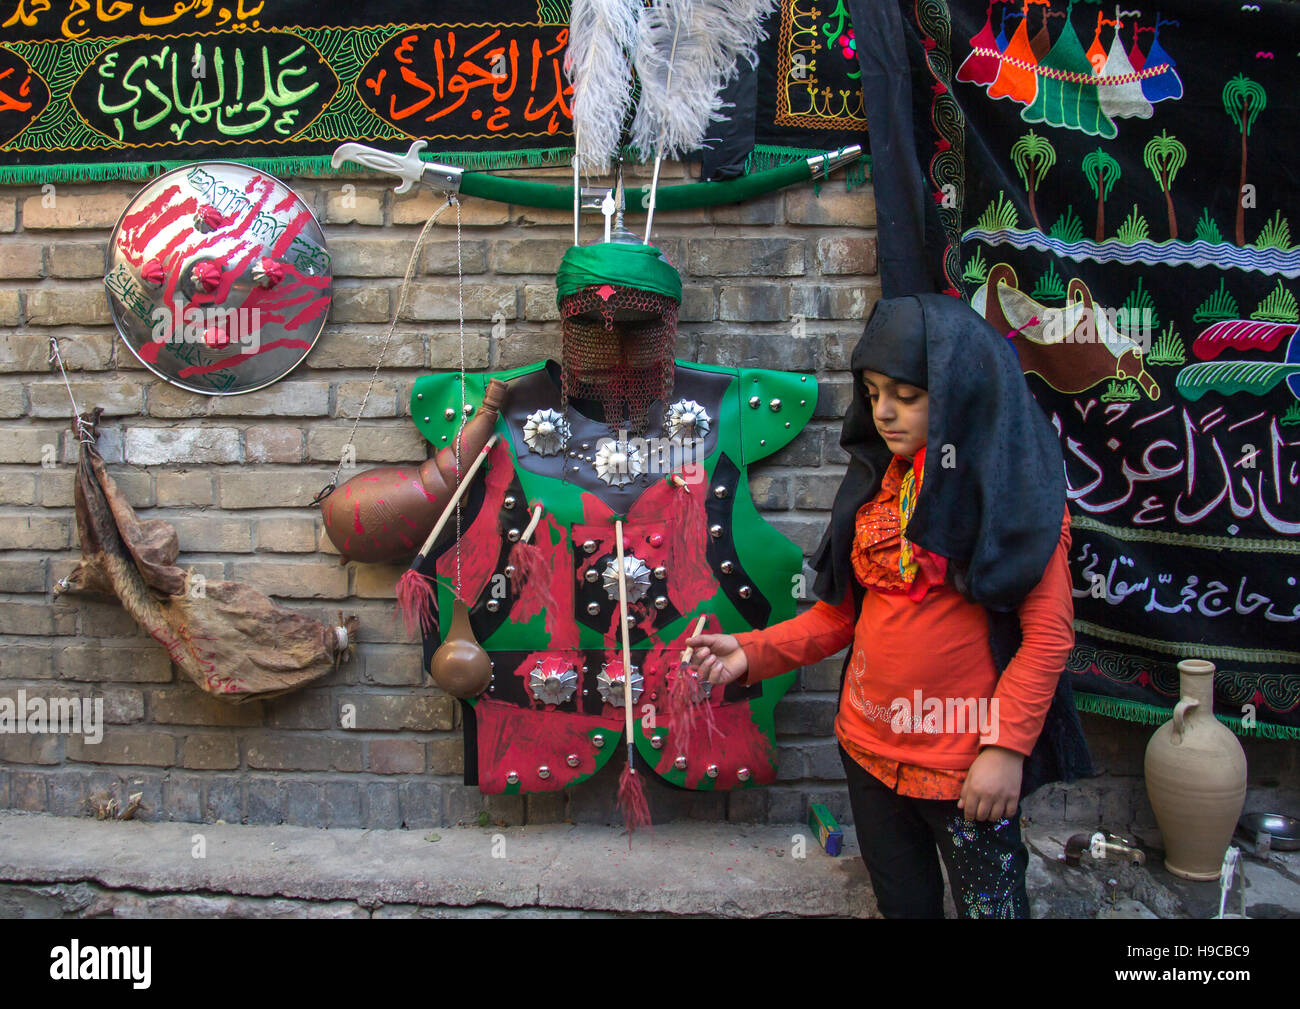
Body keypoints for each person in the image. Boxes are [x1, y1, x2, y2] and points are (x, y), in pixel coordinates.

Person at [685, 294, 1092, 919]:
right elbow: (838, 618)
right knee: (904, 904)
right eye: (873, 393)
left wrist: (1006, 750)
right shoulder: (876, 496)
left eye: (906, 395)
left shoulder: (1014, 507)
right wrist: (751, 651)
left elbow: (1047, 639)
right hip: (867, 751)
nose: (883, 413)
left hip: (966, 772)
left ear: (960, 395)